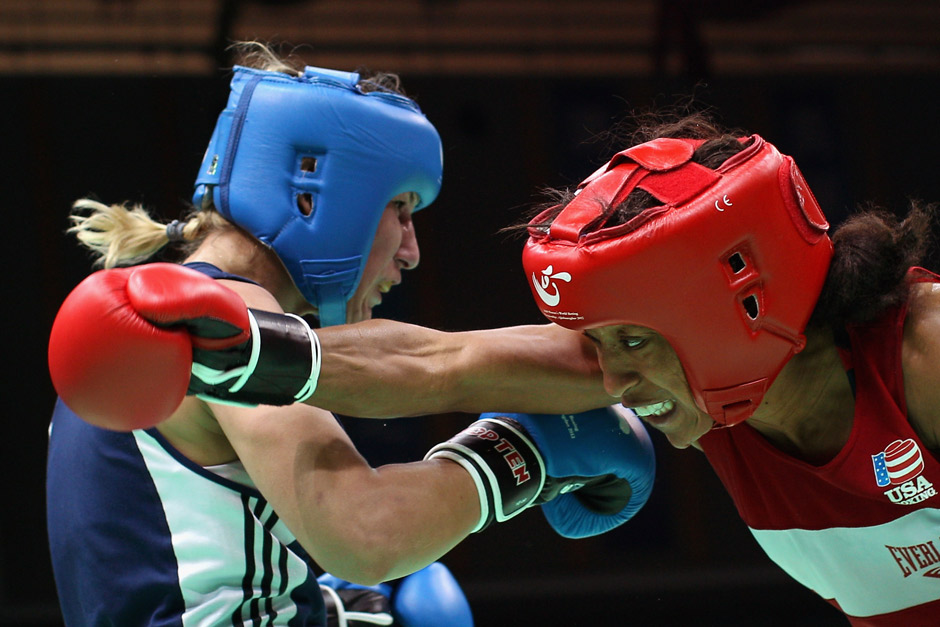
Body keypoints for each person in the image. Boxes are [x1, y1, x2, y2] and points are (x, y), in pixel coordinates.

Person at [54, 108, 940, 625]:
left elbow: (415, 421)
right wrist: (252, 352)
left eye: (630, 339)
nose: (609, 376)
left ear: (735, 307)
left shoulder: (920, 353)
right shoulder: (693, 380)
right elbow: (442, 366)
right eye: (402, 211)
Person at [44, 43, 657, 627]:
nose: (411, 253)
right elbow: (367, 535)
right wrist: (522, 451)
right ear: (320, 197)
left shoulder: (154, 323)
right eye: (402, 210)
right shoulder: (224, 314)